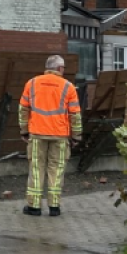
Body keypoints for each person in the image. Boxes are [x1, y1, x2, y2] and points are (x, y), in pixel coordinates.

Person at [18, 55, 83, 217]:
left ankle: (34, 206)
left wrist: (24, 130)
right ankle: (54, 206)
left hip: (37, 133)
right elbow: (75, 115)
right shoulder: (68, 87)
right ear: (60, 68)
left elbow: (23, 110)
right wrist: (76, 136)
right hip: (59, 135)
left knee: (36, 168)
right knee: (56, 169)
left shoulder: (31, 83)